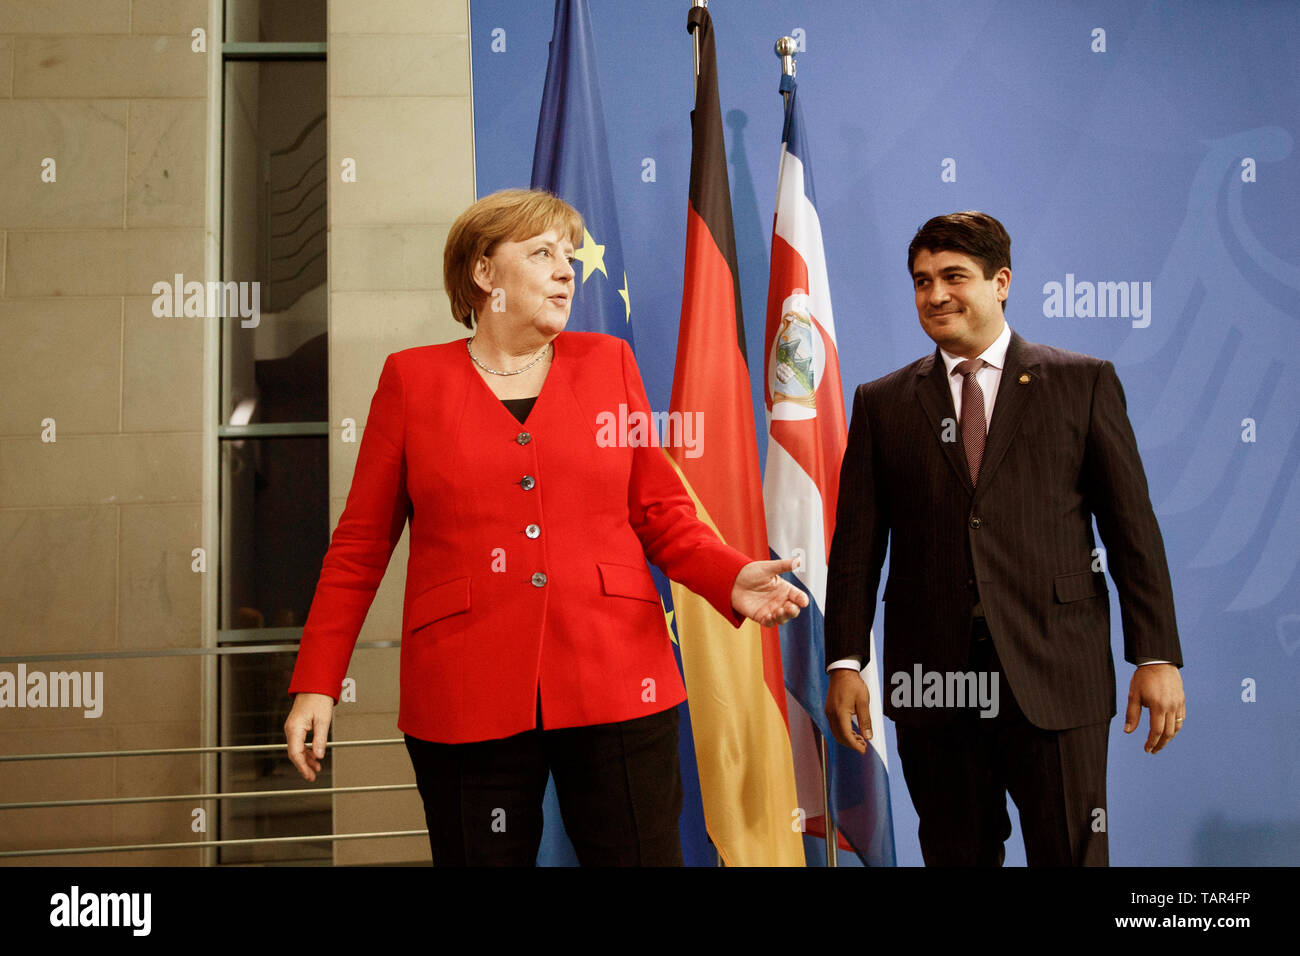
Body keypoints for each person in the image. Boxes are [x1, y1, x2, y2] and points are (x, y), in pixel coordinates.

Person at [284, 188, 807, 866]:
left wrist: (728, 574)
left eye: (568, 256)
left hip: (618, 677)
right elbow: (359, 548)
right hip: (465, 695)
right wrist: (318, 682)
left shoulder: (609, 364)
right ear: (483, 273)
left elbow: (659, 511)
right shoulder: (411, 381)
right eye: (541, 254)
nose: (566, 270)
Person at [823, 211, 1185, 866]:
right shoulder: (881, 403)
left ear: (1002, 282)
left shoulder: (1082, 382)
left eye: (953, 276)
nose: (934, 295)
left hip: (1057, 674)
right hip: (933, 687)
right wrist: (846, 661)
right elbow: (855, 549)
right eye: (921, 280)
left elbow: (1132, 528)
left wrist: (1155, 654)